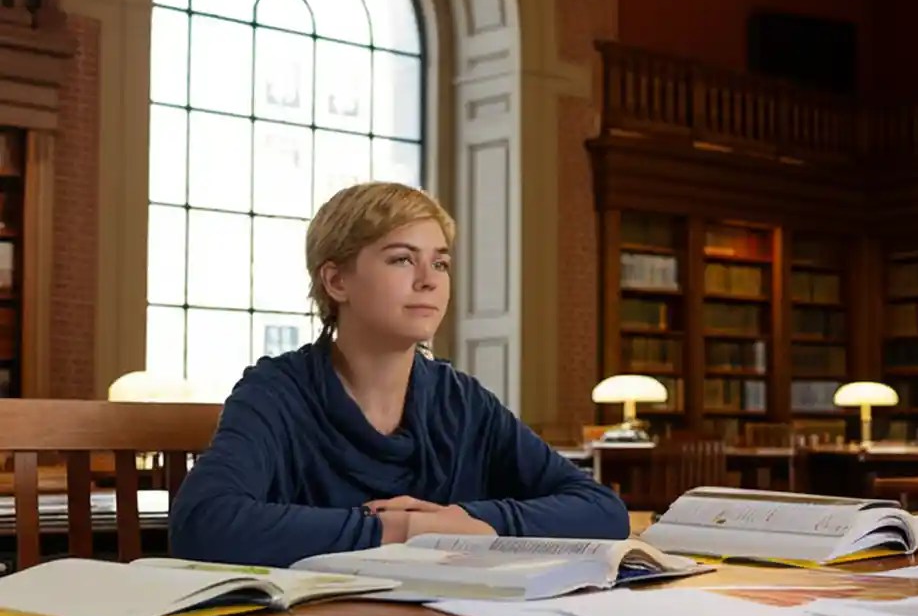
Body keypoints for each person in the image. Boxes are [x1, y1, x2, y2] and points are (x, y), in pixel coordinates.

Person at [169, 181, 630, 567]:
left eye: (441, 262)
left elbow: (604, 511)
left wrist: (467, 521)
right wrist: (399, 529)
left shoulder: (461, 400)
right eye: (402, 259)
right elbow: (203, 523)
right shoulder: (276, 393)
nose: (429, 279)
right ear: (336, 281)